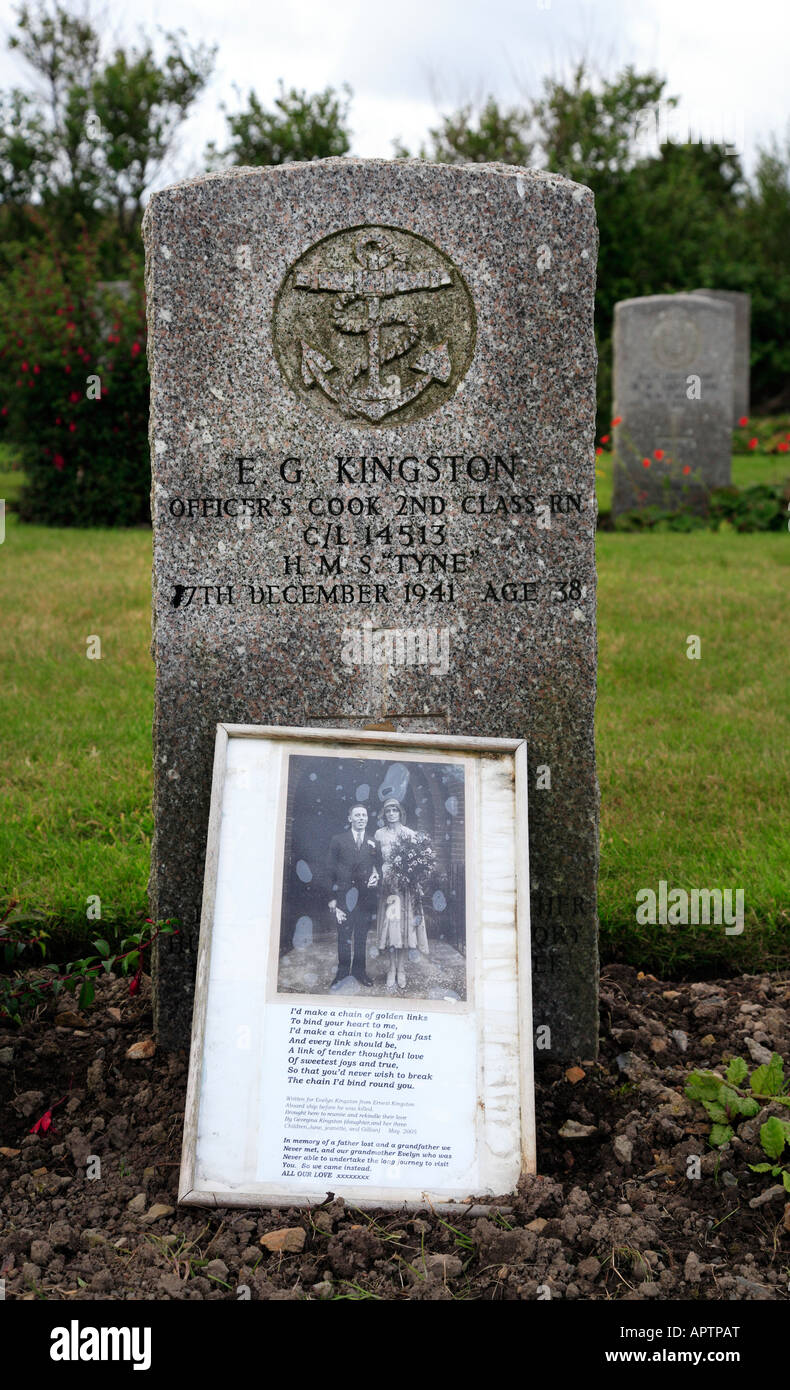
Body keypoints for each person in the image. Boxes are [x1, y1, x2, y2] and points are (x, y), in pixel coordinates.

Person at [374, 798, 430, 992]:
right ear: (384, 813)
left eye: (394, 810)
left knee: (405, 928)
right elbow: (375, 861)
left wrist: (416, 881)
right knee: (391, 929)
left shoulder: (410, 834)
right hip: (389, 888)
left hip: (406, 889)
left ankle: (402, 969)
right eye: (388, 811)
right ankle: (391, 969)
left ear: (400, 813)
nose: (391, 814)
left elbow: (418, 863)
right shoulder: (379, 834)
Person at [326, 804, 380, 989]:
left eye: (364, 815)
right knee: (344, 936)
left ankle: (359, 971)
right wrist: (332, 898)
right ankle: (342, 972)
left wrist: (376, 875)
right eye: (357, 815)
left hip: (365, 898)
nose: (361, 818)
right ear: (350, 818)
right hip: (343, 897)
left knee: (361, 936)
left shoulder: (373, 842)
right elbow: (330, 870)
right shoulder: (338, 840)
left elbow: (378, 866)